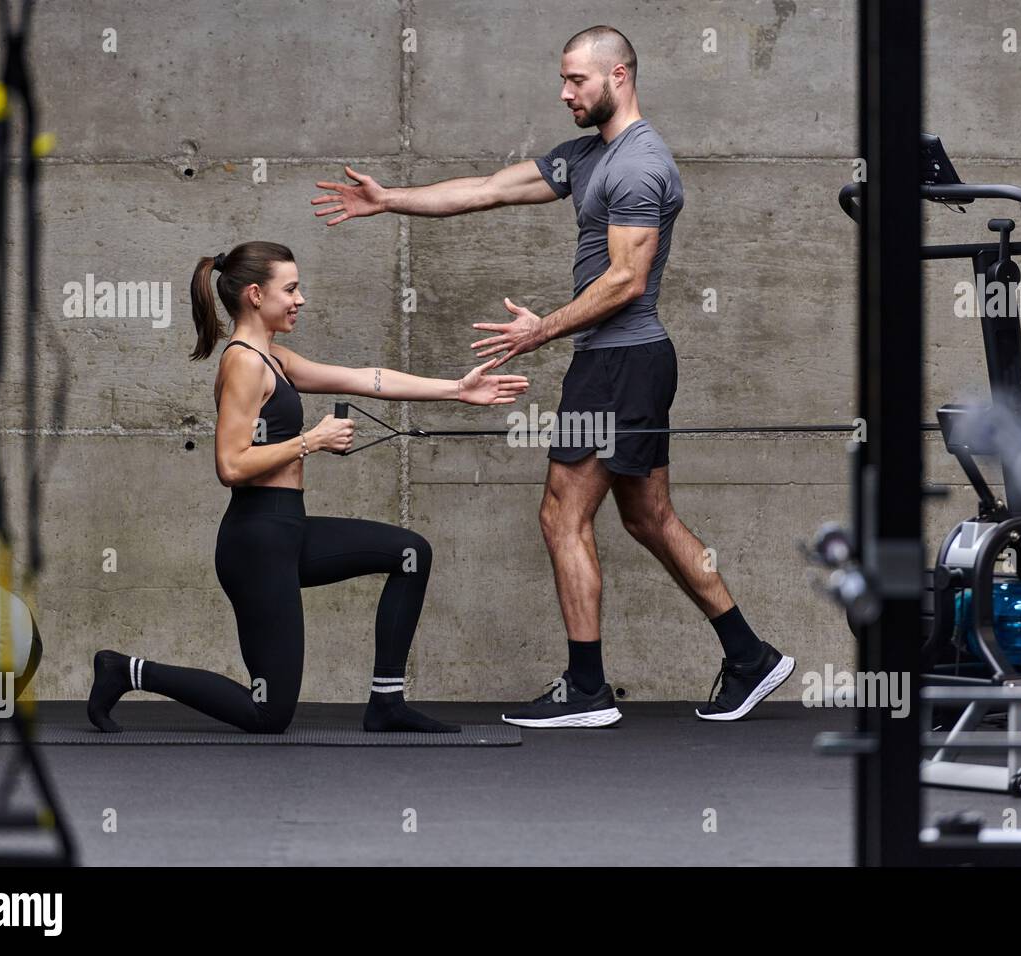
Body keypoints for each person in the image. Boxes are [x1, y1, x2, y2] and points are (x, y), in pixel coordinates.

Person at [309, 26, 793, 728]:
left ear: (618, 76)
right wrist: (391, 200)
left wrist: (540, 330)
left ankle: (587, 689)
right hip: (624, 361)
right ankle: (750, 657)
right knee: (649, 518)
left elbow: (626, 280)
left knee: (562, 514)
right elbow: (487, 189)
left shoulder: (637, 165)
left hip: (618, 361)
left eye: (577, 80)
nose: (565, 93)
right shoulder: (589, 157)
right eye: (563, 81)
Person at [86, 241, 529, 734]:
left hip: (288, 531)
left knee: (410, 553)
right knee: (269, 713)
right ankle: (125, 670)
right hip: (256, 543)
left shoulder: (273, 358)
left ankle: (387, 703)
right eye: (291, 289)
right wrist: (310, 441)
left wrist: (456, 390)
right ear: (255, 294)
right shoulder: (244, 364)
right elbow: (231, 465)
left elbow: (365, 379)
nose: (301, 299)